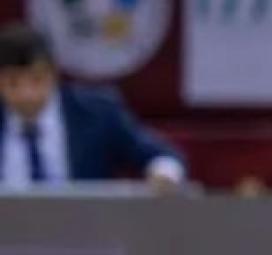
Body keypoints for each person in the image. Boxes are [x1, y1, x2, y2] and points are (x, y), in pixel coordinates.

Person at [0, 22, 185, 193]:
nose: (26, 94)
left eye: (37, 80)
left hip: (86, 218)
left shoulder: (98, 114)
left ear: (54, 74)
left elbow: (160, 156)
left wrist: (164, 174)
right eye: (12, 82)